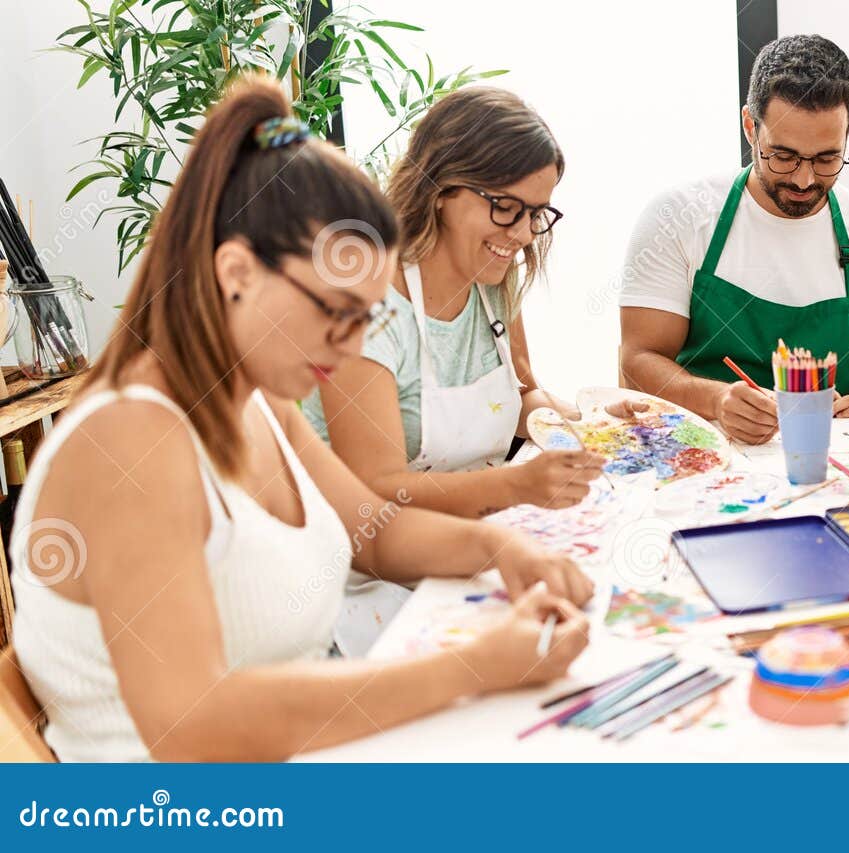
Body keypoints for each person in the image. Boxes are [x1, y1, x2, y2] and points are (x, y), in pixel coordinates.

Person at [9, 77, 591, 762]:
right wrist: (474, 667)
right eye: (333, 311)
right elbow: (194, 726)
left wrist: (505, 550)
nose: (351, 347)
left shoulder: (261, 404)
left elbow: (375, 533)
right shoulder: (133, 437)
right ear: (236, 272)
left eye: (366, 318)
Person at [302, 88, 624, 652]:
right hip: (364, 578)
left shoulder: (493, 284)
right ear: (441, 189)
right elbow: (376, 493)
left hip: (466, 546)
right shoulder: (368, 306)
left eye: (536, 214)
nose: (523, 235)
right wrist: (514, 485)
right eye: (506, 207)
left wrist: (586, 423)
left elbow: (520, 395)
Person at [618, 34, 849, 444]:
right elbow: (637, 360)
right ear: (750, 127)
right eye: (783, 156)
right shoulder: (679, 218)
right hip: (700, 458)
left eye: (827, 158)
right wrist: (715, 400)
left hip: (826, 465)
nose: (804, 180)